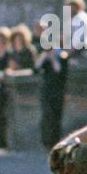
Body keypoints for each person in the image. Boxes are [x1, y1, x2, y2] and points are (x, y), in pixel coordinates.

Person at [36, 20, 69, 149]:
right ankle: (45, 141)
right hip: (46, 89)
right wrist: (45, 56)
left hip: (58, 90)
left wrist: (53, 58)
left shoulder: (62, 56)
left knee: (56, 116)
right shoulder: (44, 55)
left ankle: (55, 141)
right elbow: (36, 68)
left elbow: (59, 71)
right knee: (46, 115)